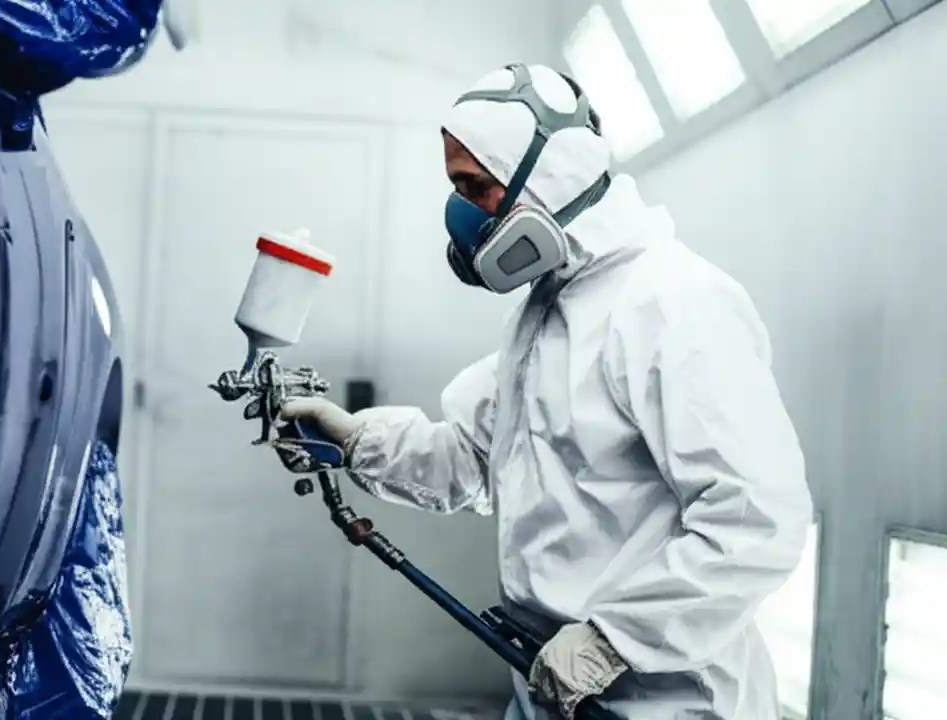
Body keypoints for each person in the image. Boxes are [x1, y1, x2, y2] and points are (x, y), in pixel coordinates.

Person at [280, 63, 813, 719]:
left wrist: (612, 641)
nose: (461, 215)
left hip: (665, 697)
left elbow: (756, 520)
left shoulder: (674, 305)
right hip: (553, 680)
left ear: (545, 176)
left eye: (473, 187)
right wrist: (357, 438)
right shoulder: (546, 308)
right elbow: (474, 461)